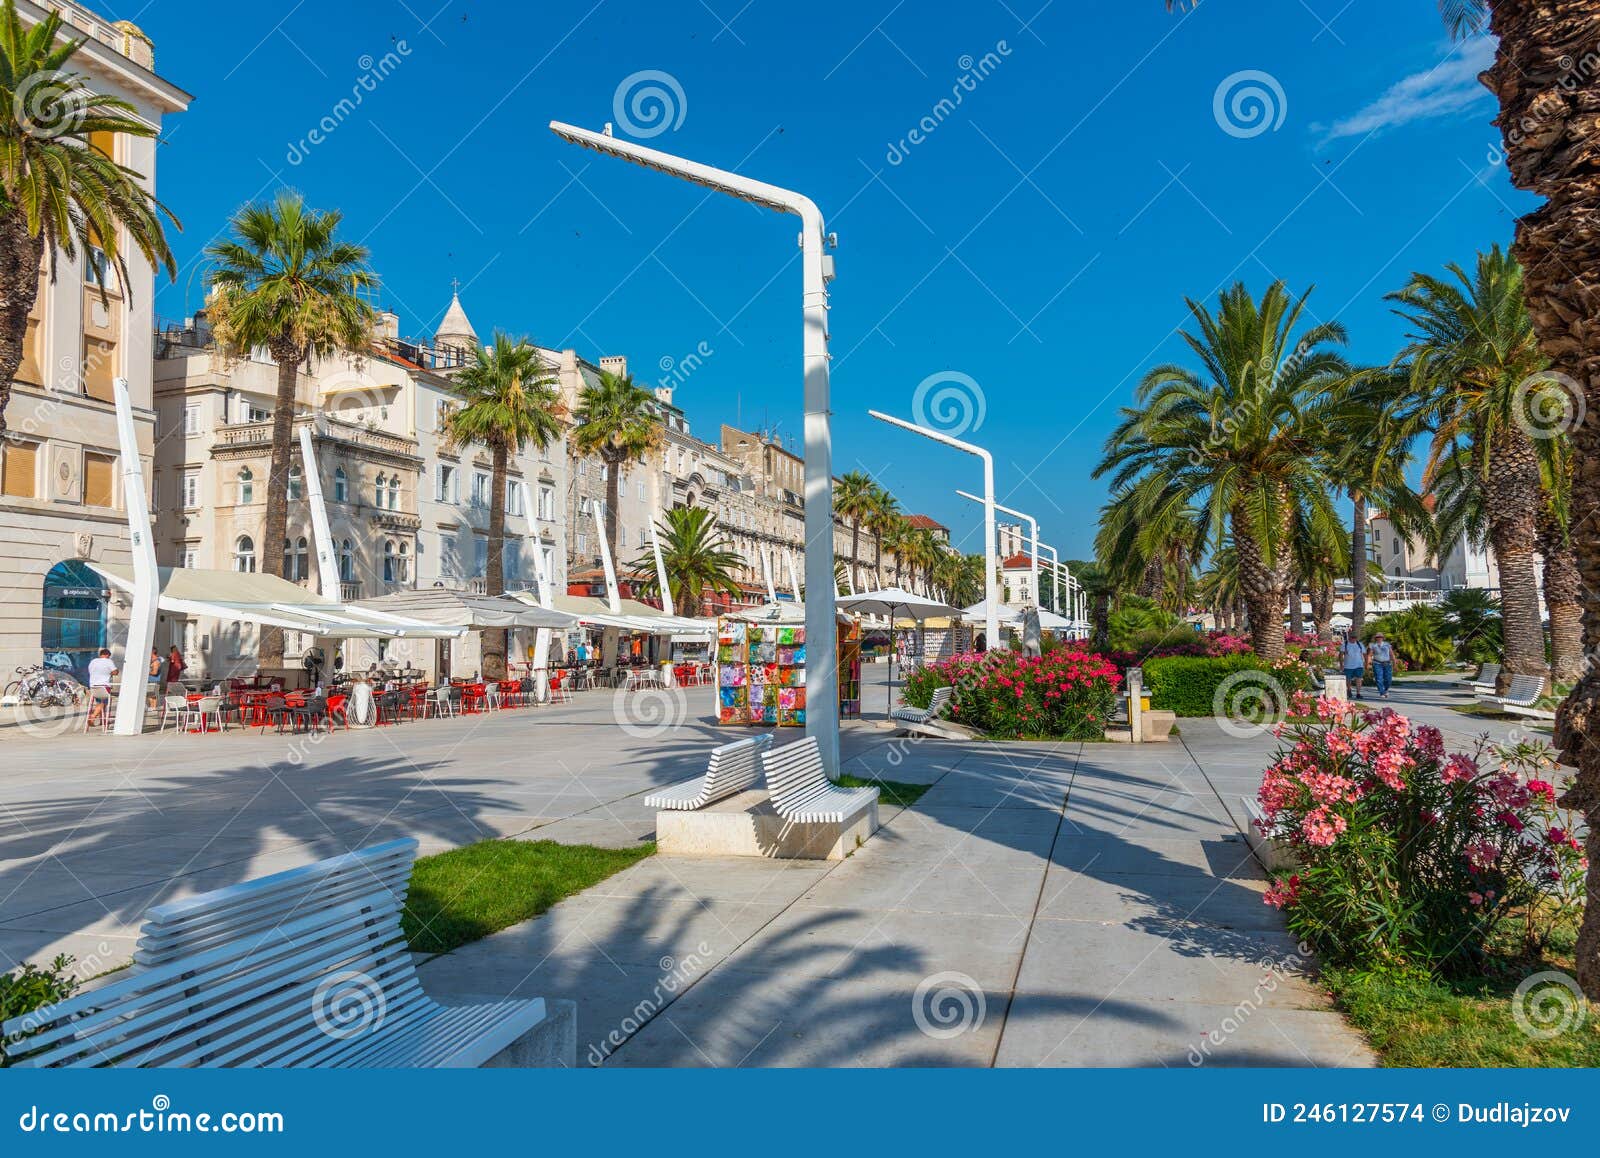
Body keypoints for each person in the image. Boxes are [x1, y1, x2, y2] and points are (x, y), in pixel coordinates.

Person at [87, 648, 117, 726]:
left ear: (100, 655)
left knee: (99, 702)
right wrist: (110, 673)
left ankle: (102, 720)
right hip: (104, 686)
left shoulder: (93, 661)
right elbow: (115, 672)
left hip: (93, 686)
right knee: (104, 702)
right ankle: (93, 717)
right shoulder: (108, 661)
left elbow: (91, 671)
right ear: (107, 655)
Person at [1341, 633, 1368, 700]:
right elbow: (1340, 655)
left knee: (1359, 679)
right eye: (1352, 637)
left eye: (1355, 637)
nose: (1353, 639)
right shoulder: (1345, 644)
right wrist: (1341, 664)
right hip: (1348, 665)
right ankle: (1349, 690)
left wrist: (1366, 664)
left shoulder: (1360, 644)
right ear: (1349, 637)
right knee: (1348, 679)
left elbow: (1365, 654)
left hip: (1359, 665)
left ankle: (1358, 693)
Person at [1369, 633, 1394, 699]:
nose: (1379, 638)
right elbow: (1370, 655)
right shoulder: (1373, 645)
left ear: (1383, 638)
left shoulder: (1387, 644)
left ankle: (1386, 689)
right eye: (1377, 637)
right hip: (1377, 663)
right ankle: (1382, 692)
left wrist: (1395, 663)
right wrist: (1368, 663)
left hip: (1387, 663)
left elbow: (1391, 654)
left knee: (1388, 679)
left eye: (1380, 637)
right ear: (1375, 638)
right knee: (1379, 678)